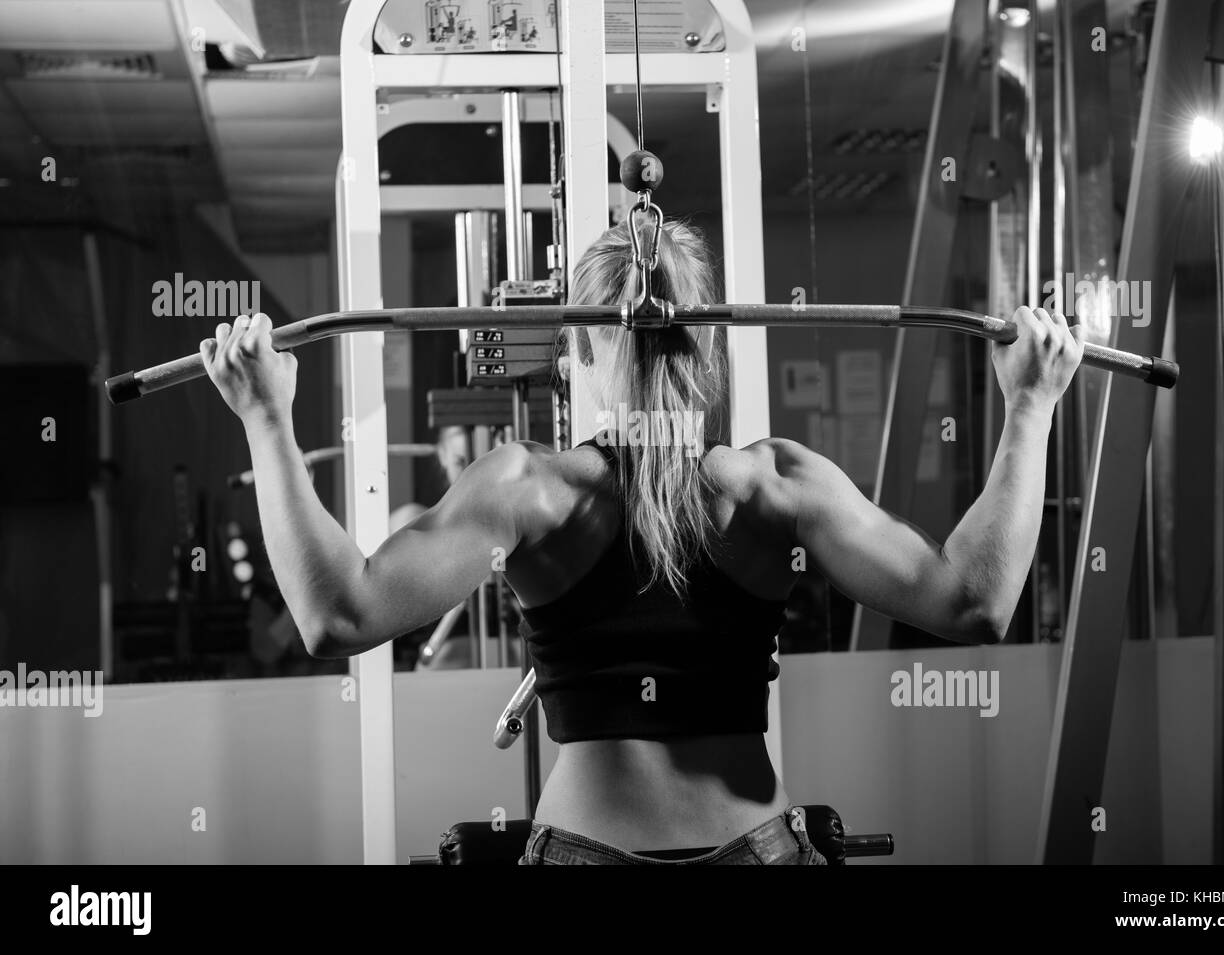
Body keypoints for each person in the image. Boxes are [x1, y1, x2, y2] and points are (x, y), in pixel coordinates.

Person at [199, 217, 1082, 866]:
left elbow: (335, 615)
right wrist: (1032, 407)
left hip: (590, 850)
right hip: (754, 848)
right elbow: (974, 599)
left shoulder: (528, 489)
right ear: (710, 347)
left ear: (579, 347)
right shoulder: (773, 486)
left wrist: (266, 418)